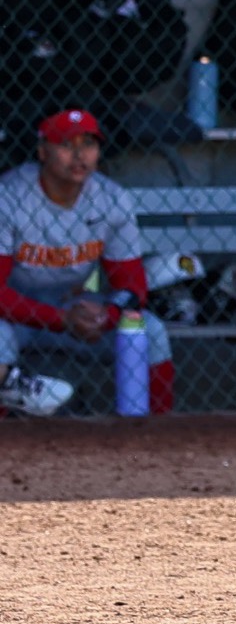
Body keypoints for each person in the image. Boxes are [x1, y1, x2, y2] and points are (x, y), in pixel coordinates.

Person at [0, 108, 174, 416]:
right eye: (67, 145)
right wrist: (60, 319)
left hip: (78, 308)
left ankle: (155, 432)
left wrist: (107, 314)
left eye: (89, 145)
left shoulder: (112, 198)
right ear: (42, 151)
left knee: (151, 331)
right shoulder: (9, 196)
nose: (79, 155)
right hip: (16, 313)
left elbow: (132, 284)